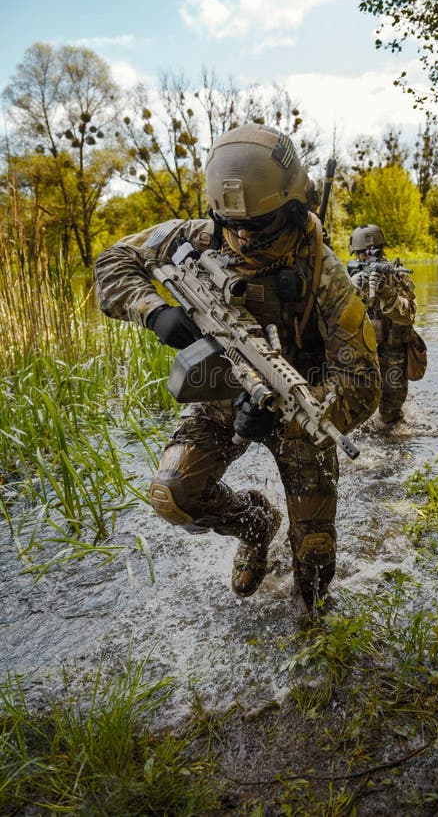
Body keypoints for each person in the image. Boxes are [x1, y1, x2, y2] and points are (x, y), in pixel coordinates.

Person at [94, 123, 381, 614]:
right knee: (172, 492)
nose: (244, 237)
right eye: (235, 225)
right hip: (223, 393)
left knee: (313, 568)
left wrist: (285, 416)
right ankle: (255, 524)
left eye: (260, 226)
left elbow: (365, 384)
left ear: (293, 207)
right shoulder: (198, 238)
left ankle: (310, 646)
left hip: (304, 405)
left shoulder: (326, 274)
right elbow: (114, 260)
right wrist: (154, 310)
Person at [347, 224, 417, 425]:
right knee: (356, 412)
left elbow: (409, 315)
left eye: (371, 254)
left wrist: (386, 293)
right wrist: (353, 287)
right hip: (362, 352)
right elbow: (339, 316)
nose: (366, 258)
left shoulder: (397, 277)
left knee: (391, 413)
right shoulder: (352, 278)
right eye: (362, 255)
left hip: (394, 353)